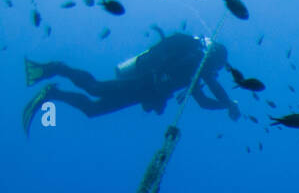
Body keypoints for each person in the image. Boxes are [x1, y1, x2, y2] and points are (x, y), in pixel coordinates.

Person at [22, 33, 238, 135]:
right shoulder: (196, 60)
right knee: (94, 88)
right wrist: (228, 104)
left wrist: (226, 105)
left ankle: (52, 94)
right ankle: (55, 68)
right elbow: (213, 89)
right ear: (214, 57)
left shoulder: (196, 74)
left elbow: (204, 102)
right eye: (218, 65)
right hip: (142, 83)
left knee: (92, 110)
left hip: (144, 94)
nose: (216, 71)